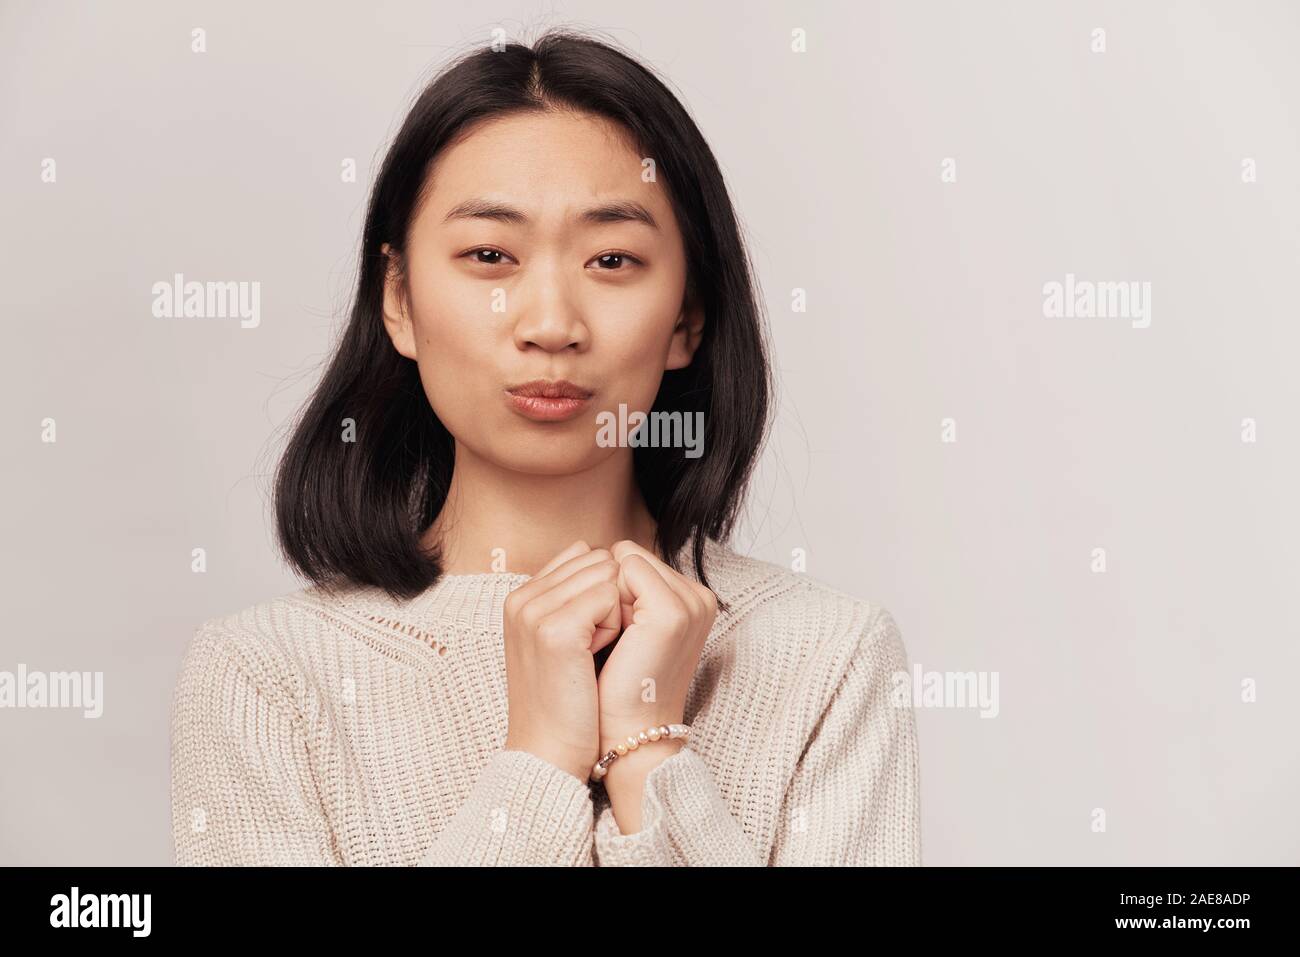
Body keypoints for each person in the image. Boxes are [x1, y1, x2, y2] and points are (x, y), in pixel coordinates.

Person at [169, 29, 920, 866]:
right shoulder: (267, 677)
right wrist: (538, 767)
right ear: (400, 300)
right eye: (490, 255)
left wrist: (649, 753)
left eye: (611, 258)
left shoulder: (829, 656)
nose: (551, 324)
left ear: (687, 318)